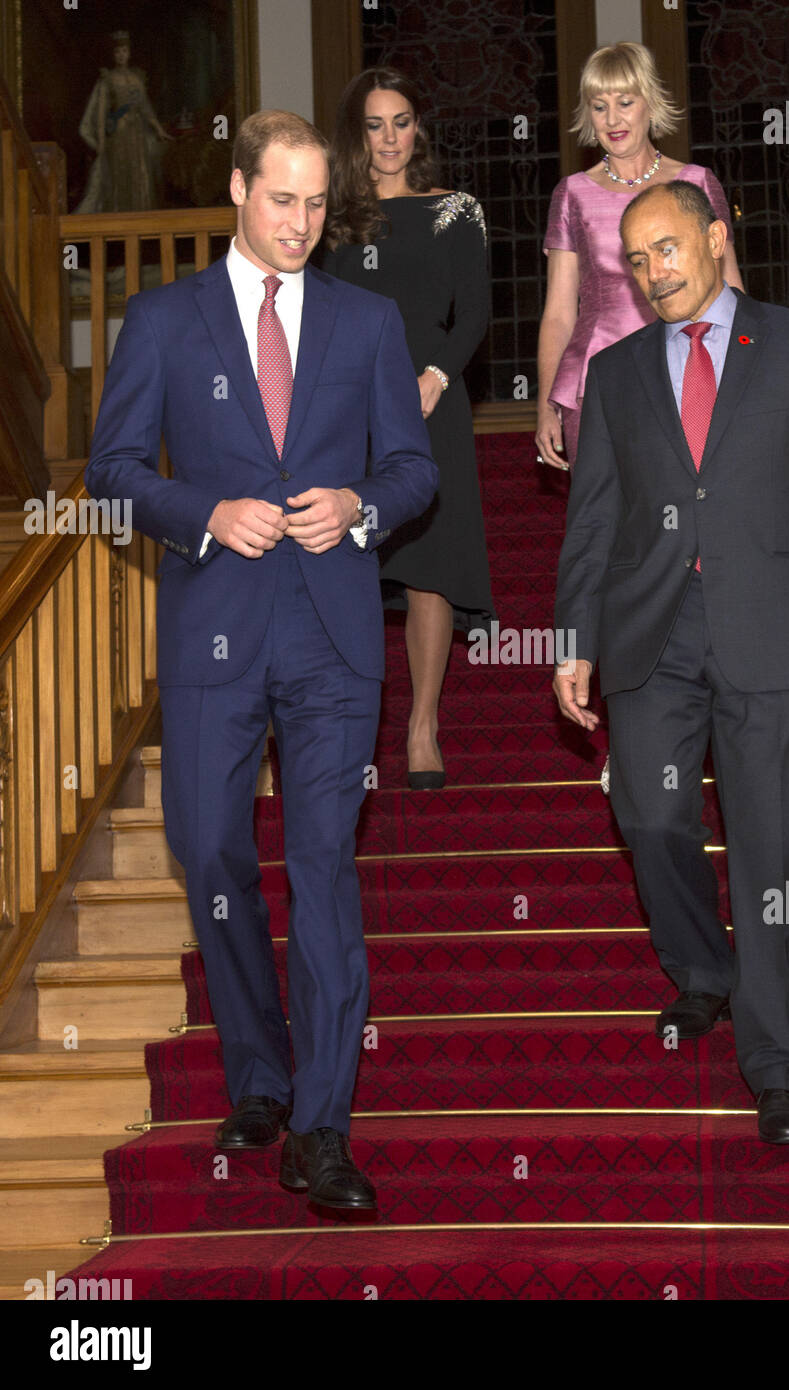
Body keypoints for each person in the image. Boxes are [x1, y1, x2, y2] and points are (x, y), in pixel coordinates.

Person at [85, 111, 437, 1207]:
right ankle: (259, 1066)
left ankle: (322, 1128)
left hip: (333, 636)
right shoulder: (162, 320)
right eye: (281, 198)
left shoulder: (368, 322)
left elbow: (415, 470)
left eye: (318, 204)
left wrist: (360, 505)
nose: (299, 223)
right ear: (239, 189)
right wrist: (205, 512)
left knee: (325, 869)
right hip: (214, 630)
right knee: (210, 848)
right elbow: (112, 468)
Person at [552, 181, 789, 1145]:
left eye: (668, 250)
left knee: (773, 851)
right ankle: (704, 971)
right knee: (652, 815)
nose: (654, 273)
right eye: (637, 260)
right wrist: (572, 638)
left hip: (776, 627)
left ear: (713, 240)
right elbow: (592, 519)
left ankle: (782, 1067)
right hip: (654, 632)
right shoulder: (616, 374)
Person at [323, 68, 495, 790]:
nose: (390, 137)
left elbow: (476, 313)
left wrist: (436, 376)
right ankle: (348, 722)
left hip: (431, 401)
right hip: (345, 406)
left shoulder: (456, 210)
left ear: (418, 127)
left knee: (429, 565)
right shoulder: (332, 215)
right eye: (375, 124)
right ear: (357, 133)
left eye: (402, 121)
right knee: (347, 567)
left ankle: (423, 726)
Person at [536, 40, 743, 470]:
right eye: (599, 106)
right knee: (607, 522)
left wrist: (745, 377)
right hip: (593, 385)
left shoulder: (698, 183)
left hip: (692, 372)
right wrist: (543, 404)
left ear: (650, 102)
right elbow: (558, 312)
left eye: (625, 102)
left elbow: (732, 291)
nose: (612, 119)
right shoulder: (572, 193)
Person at [75, 30, 171, 214]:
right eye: (118, 52)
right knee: (120, 176)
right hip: (118, 134)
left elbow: (145, 108)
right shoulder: (107, 79)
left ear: (129, 53)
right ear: (113, 55)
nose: (121, 55)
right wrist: (101, 143)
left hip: (137, 135)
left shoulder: (136, 78)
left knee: (139, 175)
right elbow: (102, 113)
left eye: (124, 51)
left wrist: (158, 129)